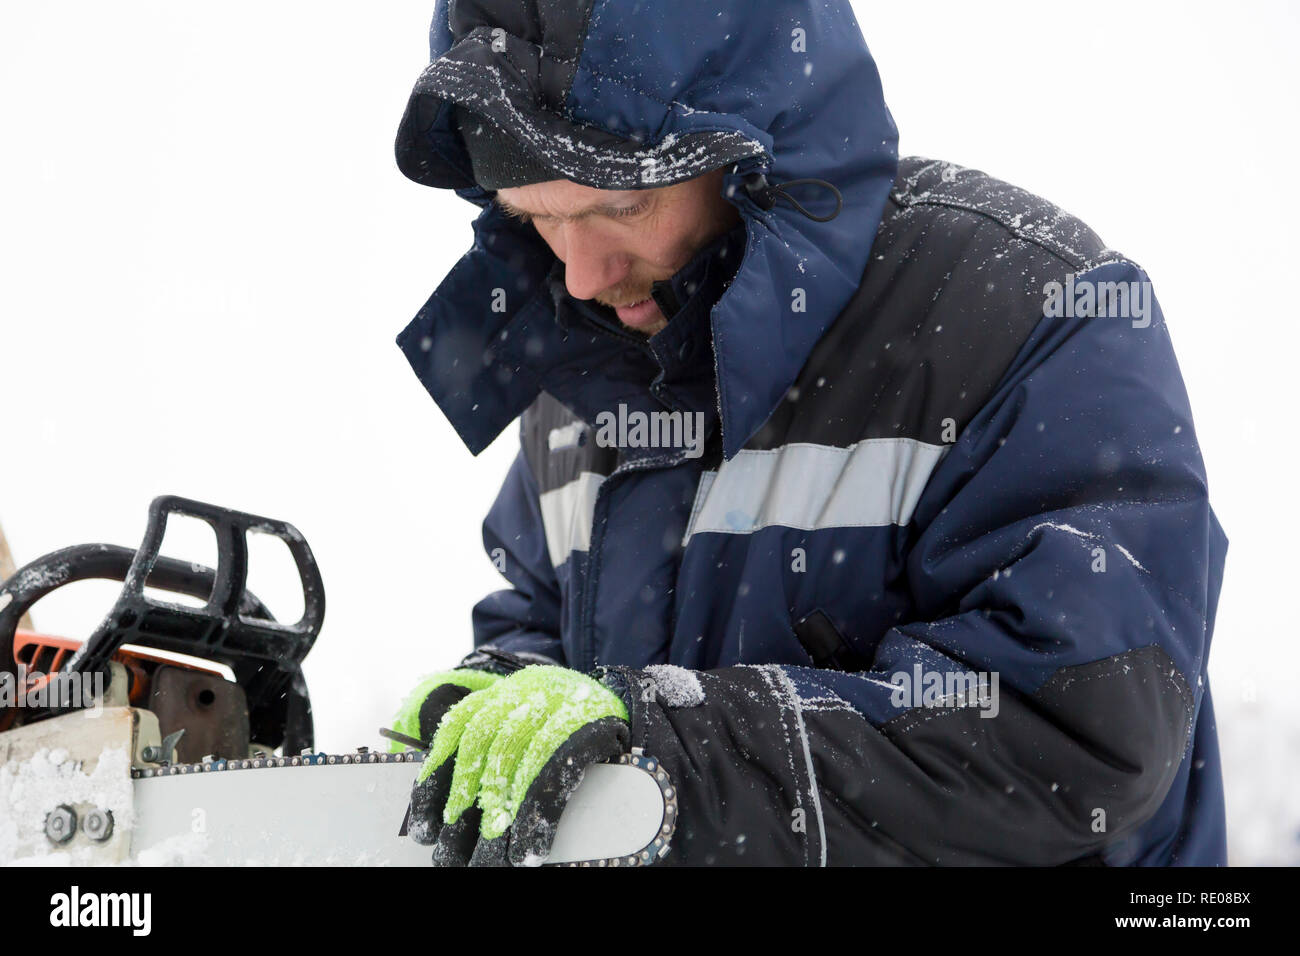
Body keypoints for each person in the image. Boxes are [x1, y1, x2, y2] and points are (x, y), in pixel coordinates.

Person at [388, 0, 1228, 867]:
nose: (581, 271)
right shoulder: (581, 355)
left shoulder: (1027, 312)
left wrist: (662, 750)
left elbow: (1074, 733)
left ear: (756, 146)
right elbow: (539, 618)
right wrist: (504, 698)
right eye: (536, 219)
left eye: (622, 205)